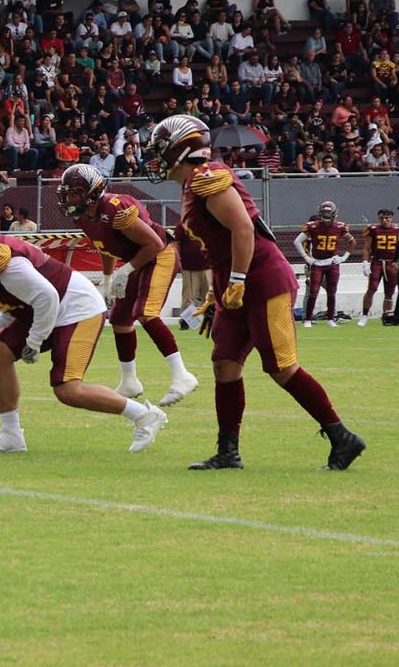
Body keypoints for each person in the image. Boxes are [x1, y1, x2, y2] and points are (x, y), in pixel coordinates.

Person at [146, 114, 365, 471]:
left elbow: (243, 229)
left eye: (160, 149)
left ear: (180, 148)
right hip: (235, 280)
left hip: (260, 279)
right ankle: (228, 451)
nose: (155, 156)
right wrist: (220, 291)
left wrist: (236, 280)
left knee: (281, 367)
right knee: (225, 363)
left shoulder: (206, 178)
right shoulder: (193, 185)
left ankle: (342, 436)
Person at [0, 208, 166, 455]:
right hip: (49, 308)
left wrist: (35, 340)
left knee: (68, 389)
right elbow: (16, 306)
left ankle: (145, 416)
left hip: (76, 307)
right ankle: (11, 436)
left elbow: (47, 296)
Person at [59, 164, 198, 406]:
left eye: (74, 193)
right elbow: (105, 246)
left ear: (91, 192)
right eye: (67, 192)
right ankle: (129, 381)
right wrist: (108, 277)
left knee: (146, 313)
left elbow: (153, 244)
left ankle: (182, 375)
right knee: (120, 319)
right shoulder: (84, 216)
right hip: (136, 260)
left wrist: (126, 271)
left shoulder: (116, 208)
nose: (69, 198)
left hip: (160, 254)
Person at [293, 201, 356, 327]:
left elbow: (352, 242)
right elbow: (297, 242)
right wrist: (307, 257)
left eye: (328, 214)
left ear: (334, 214)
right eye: (324, 213)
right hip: (317, 263)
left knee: (332, 292)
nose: (326, 216)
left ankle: (330, 319)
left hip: (332, 262)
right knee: (313, 291)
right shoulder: (313, 226)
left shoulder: (339, 227)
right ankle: (308, 320)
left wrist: (344, 257)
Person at [358, 209, 399, 326]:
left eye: (387, 218)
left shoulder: (398, 230)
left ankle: (386, 315)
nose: (384, 220)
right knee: (371, 289)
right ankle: (365, 315)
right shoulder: (373, 230)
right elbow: (366, 248)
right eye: (382, 218)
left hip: (392, 263)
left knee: (389, 292)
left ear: (392, 218)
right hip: (377, 262)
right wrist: (365, 263)